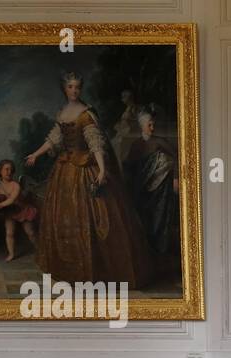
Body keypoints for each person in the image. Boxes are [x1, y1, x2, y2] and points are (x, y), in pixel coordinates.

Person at [24, 71, 153, 288]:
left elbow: (96, 145)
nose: (74, 91)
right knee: (62, 217)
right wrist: (36, 154)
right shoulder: (63, 112)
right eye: (70, 87)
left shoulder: (87, 114)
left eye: (77, 87)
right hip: (64, 170)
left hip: (85, 169)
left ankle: (94, 271)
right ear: (65, 89)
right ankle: (67, 269)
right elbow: (54, 139)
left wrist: (102, 170)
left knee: (95, 216)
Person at [124, 109, 181, 271]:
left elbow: (177, 158)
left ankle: (160, 257)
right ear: (142, 126)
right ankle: (146, 258)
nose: (152, 127)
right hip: (142, 189)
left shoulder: (160, 142)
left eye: (153, 124)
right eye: (149, 124)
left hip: (161, 188)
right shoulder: (136, 145)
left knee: (160, 219)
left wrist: (176, 179)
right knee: (143, 219)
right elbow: (129, 165)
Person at [0, 159, 38, 262]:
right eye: (6, 169)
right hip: (10, 212)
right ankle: (11, 254)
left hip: (22, 210)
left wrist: (1, 204)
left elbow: (11, 200)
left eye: (11, 169)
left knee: (30, 232)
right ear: (0, 171)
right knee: (9, 233)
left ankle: (40, 250)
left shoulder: (15, 185)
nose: (9, 172)